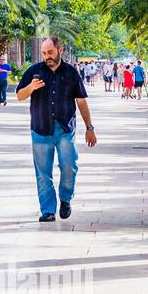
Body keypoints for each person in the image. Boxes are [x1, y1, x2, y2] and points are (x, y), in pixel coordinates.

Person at [15, 36, 98, 222]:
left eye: (50, 52)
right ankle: (48, 210)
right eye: (44, 53)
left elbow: (81, 101)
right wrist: (31, 87)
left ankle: (66, 198)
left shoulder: (71, 73)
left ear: (60, 50)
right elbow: (20, 95)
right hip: (40, 128)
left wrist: (89, 127)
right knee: (43, 172)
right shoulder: (34, 71)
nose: (47, 56)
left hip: (65, 129)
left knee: (69, 166)